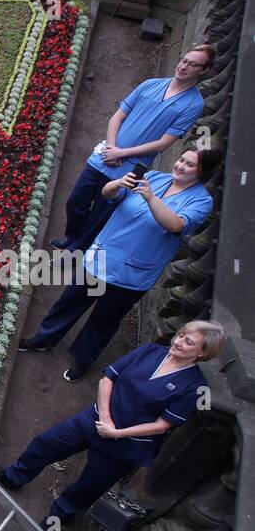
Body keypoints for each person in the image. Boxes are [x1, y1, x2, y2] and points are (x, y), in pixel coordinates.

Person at [18, 144, 219, 382]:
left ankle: (83, 358)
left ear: (202, 172)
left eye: (189, 164)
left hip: (133, 273)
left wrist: (151, 198)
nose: (180, 165)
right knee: (70, 300)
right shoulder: (154, 177)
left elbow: (176, 225)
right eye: (181, 160)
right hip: (104, 255)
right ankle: (44, 339)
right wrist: (117, 184)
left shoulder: (201, 201)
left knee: (105, 318)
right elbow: (108, 194)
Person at [0, 320, 225, 523]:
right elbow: (108, 379)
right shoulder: (150, 350)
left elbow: (163, 425)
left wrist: (116, 433)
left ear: (202, 353)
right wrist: (105, 419)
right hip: (95, 419)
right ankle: (15, 476)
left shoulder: (194, 386)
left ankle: (61, 515)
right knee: (46, 443)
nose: (179, 341)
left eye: (188, 342)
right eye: (181, 334)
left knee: (89, 485)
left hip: (127, 444)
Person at [51, 44, 211, 252]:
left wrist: (122, 153)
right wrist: (111, 147)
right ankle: (71, 237)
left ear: (203, 70)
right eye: (184, 61)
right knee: (77, 200)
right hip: (106, 153)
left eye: (193, 64)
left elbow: (164, 143)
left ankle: (77, 249)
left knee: (102, 210)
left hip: (133, 165)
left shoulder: (193, 104)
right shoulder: (150, 85)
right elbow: (117, 117)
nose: (184, 67)